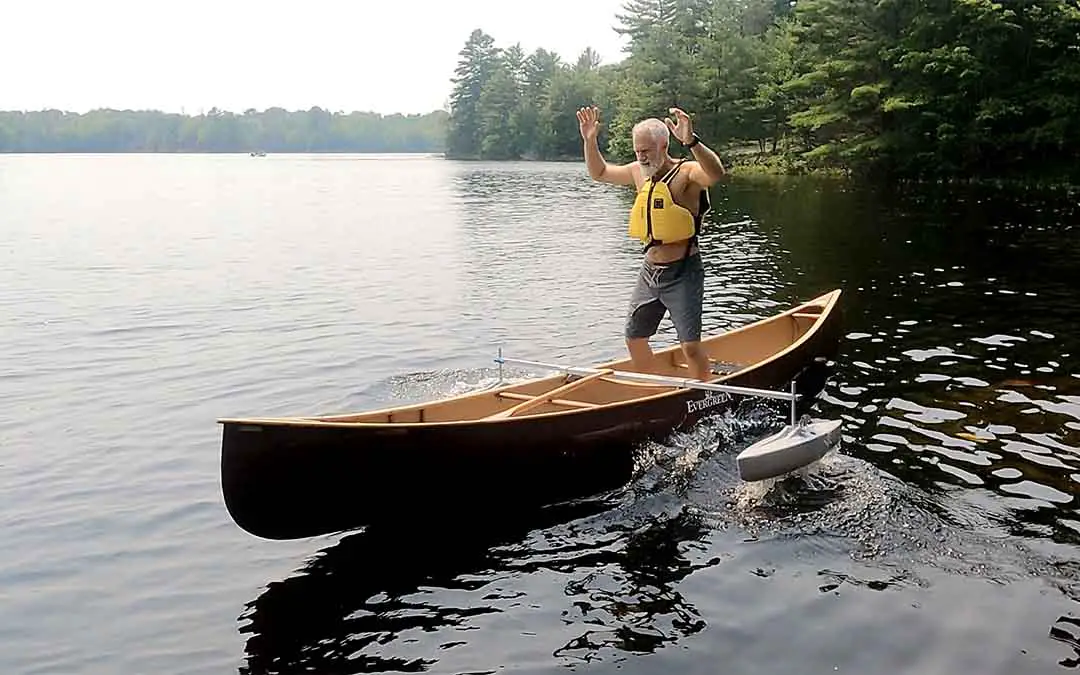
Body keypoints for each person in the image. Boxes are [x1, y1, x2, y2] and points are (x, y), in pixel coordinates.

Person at [576, 104, 727, 381]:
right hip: (650, 272)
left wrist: (691, 142)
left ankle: (704, 393)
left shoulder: (688, 173)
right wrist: (590, 141)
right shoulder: (638, 172)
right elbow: (599, 173)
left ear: (663, 144)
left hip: (683, 271)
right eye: (637, 151)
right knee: (635, 338)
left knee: (690, 346)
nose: (641, 156)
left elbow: (716, 174)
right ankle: (655, 391)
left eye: (646, 150)